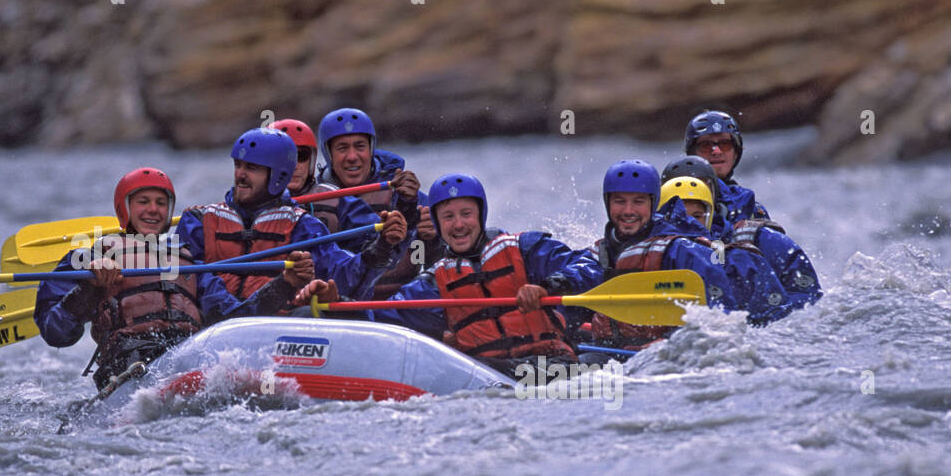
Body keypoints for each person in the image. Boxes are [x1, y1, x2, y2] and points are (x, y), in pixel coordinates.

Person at [34, 167, 332, 390]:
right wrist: (89, 286)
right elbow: (55, 332)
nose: (153, 209)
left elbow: (235, 320)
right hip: (126, 370)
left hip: (187, 362)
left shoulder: (189, 262)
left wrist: (286, 284)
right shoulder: (91, 256)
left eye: (161, 203)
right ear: (123, 208)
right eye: (143, 201)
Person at [371, 173, 603, 376]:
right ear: (437, 223)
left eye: (466, 214)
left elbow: (589, 265)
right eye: (448, 217)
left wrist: (548, 286)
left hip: (554, 366)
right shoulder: (433, 284)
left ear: (481, 216)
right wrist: (341, 303)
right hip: (489, 373)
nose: (459, 224)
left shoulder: (526, 248)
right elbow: (381, 316)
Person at [173, 126, 406, 302]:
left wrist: (383, 246)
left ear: (277, 176)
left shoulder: (303, 227)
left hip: (276, 327)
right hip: (215, 326)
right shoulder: (198, 222)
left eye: (252, 168)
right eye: (239, 165)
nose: (241, 175)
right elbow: (185, 282)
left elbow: (347, 276)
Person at [578, 164, 798, 351]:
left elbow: (722, 320)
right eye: (677, 212)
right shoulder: (608, 251)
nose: (684, 219)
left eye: (696, 215)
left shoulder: (713, 254)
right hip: (621, 347)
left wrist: (671, 343)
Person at [665, 147, 822, 310]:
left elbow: (807, 302)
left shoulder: (751, 244)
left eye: (697, 215)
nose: (691, 192)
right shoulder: (649, 241)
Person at [313, 107, 434, 298]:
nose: (352, 157)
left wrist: (433, 241)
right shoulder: (313, 201)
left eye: (360, 146)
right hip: (343, 301)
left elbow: (442, 263)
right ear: (328, 154)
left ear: (371, 148)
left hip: (402, 299)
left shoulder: (409, 197)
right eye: (342, 148)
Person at [684, 109, 770, 225]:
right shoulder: (674, 201)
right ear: (692, 154)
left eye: (725, 144)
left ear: (736, 153)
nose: (717, 151)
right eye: (706, 145)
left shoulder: (751, 208)